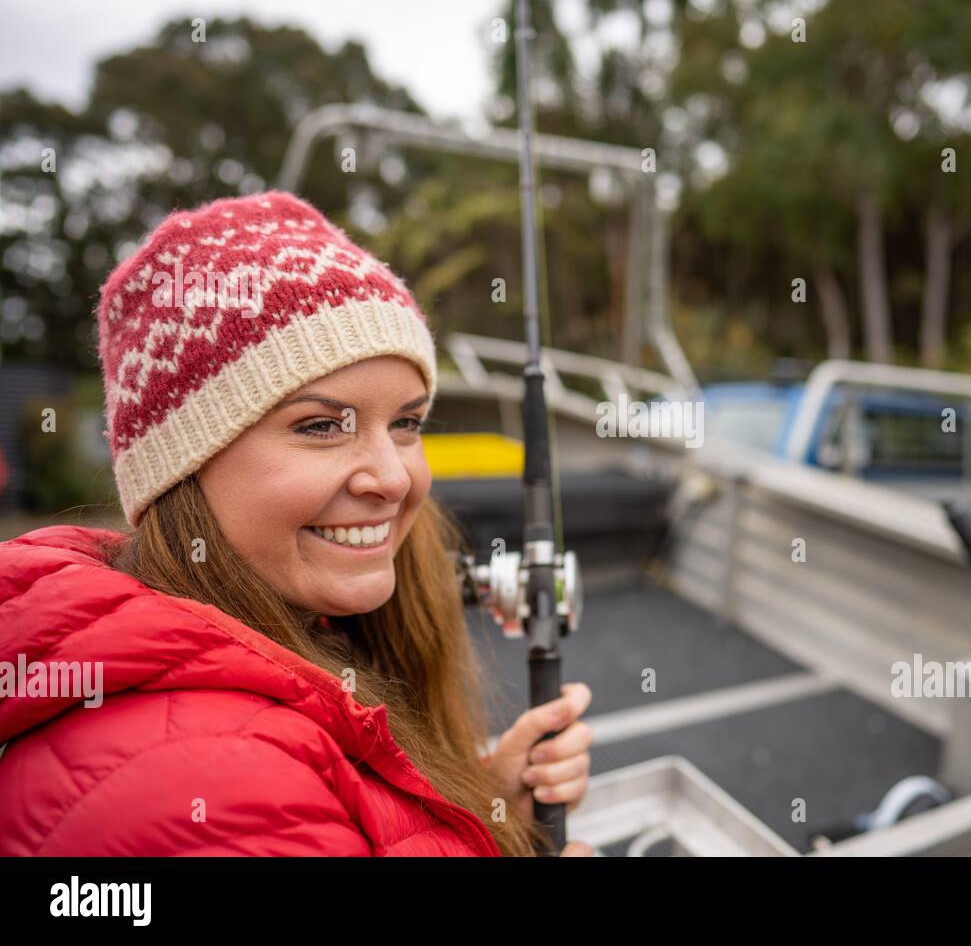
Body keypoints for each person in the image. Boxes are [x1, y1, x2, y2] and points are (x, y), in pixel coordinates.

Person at [0, 191, 592, 856]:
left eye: (406, 423)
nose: (393, 479)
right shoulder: (209, 790)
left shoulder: (284, 634)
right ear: (183, 465)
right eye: (320, 426)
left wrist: (483, 813)